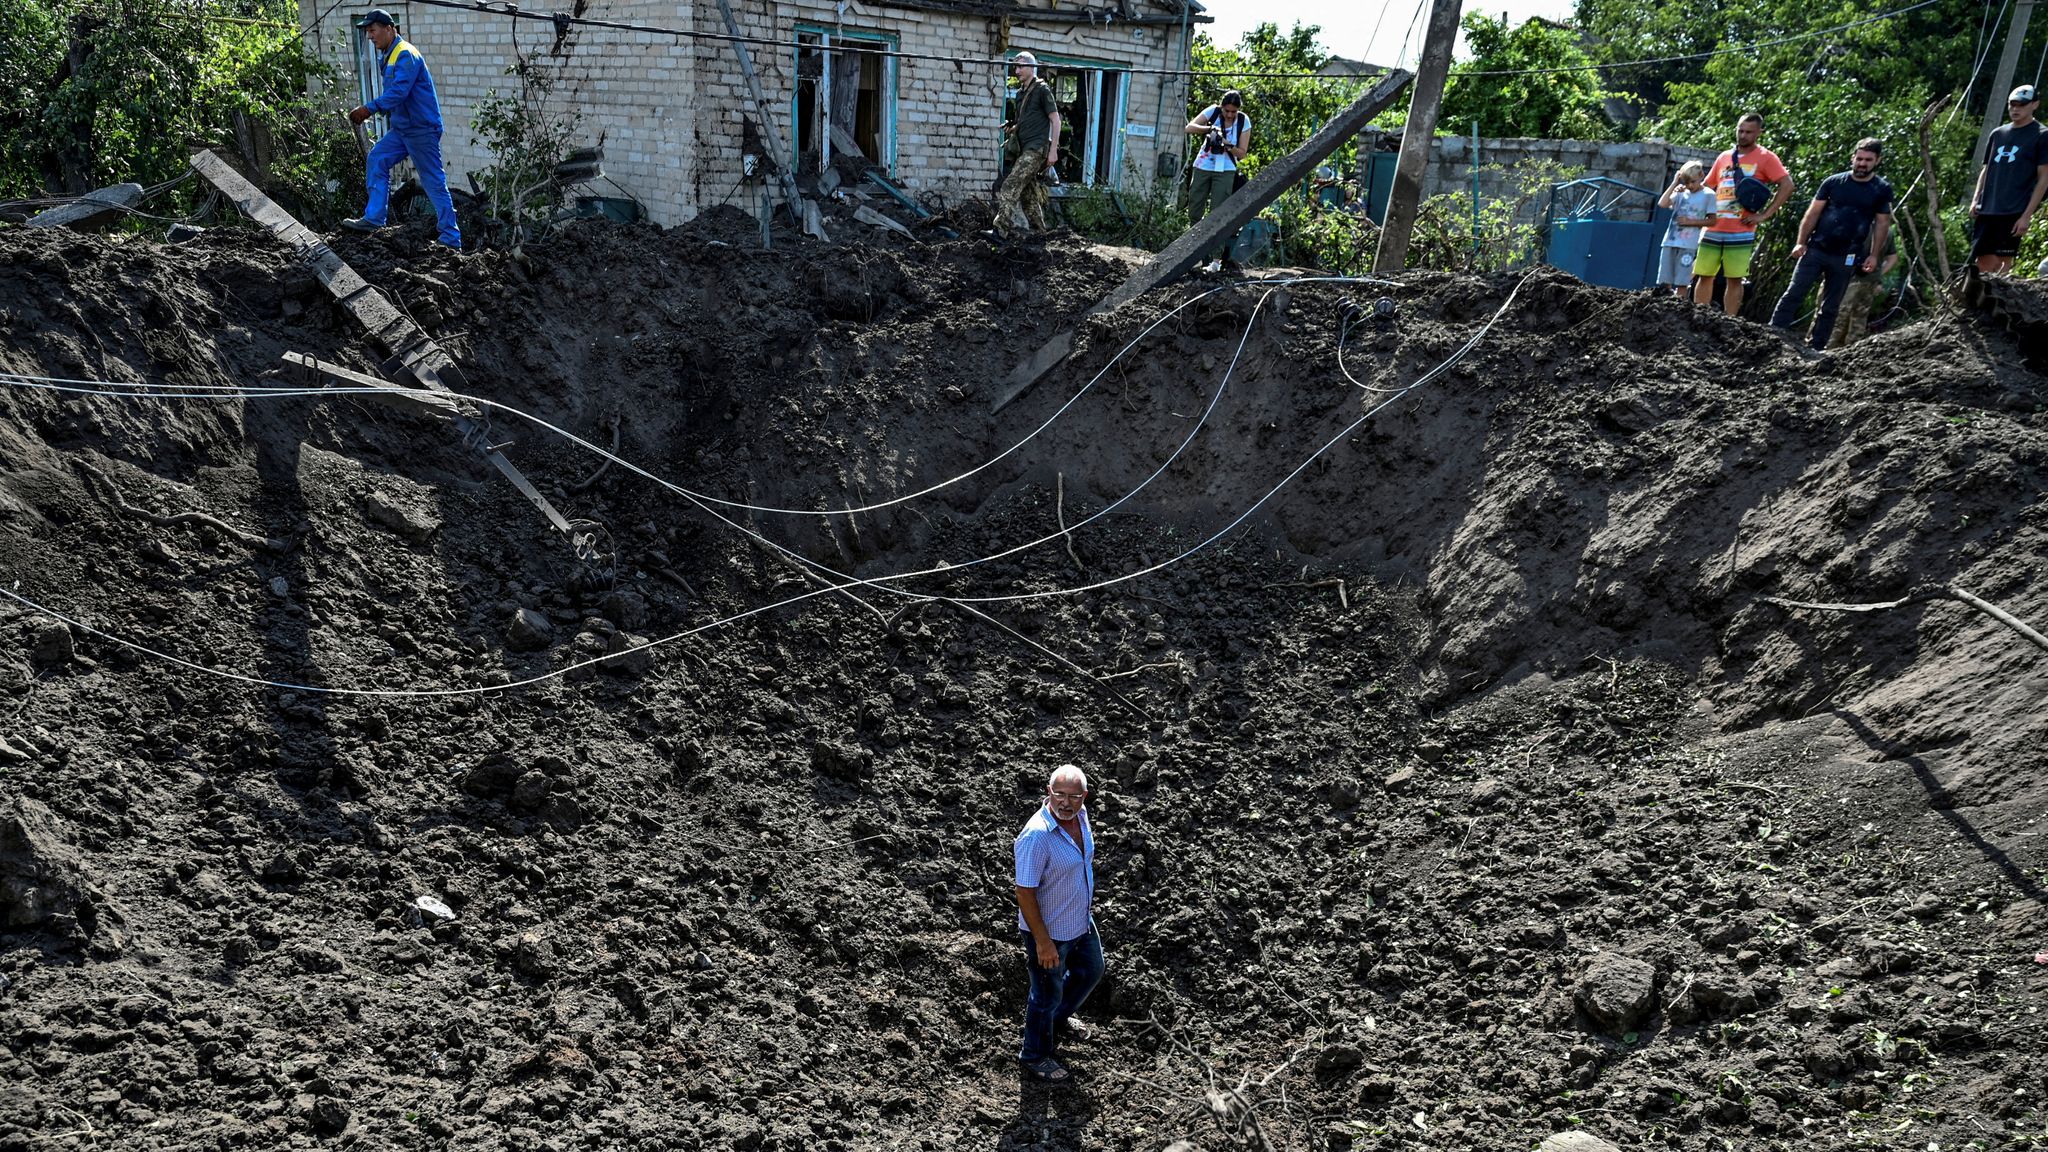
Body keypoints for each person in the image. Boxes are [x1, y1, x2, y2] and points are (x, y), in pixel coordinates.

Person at [343, 9, 461, 251]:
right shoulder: (389, 53)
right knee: (377, 158)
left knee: (432, 180)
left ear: (389, 28)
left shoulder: (406, 54)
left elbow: (399, 92)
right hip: (404, 129)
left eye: (373, 30)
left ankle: (450, 238)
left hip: (421, 129)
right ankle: (373, 218)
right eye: (367, 32)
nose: (370, 36)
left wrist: (369, 108)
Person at [1013, 763, 1101, 1084]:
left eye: (1073, 796)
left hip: (1080, 920)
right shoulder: (1036, 836)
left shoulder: (1080, 816)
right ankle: (1034, 1054)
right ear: (1048, 793)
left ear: (1084, 797)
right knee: (1045, 994)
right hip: (1050, 932)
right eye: (1059, 795)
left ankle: (1058, 1019)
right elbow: (1024, 892)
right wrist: (1043, 942)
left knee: (1092, 970)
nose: (1066, 803)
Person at [1769, 138, 1893, 351]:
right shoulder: (1834, 182)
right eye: (1859, 158)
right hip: (1817, 248)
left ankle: (1816, 346)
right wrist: (1800, 243)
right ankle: (1772, 335)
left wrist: (1873, 255)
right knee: (1795, 292)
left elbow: (1882, 223)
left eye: (1868, 160)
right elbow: (1812, 213)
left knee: (1831, 305)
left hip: (1847, 256)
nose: (1862, 163)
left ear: (1877, 161)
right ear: (1852, 157)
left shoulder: (1881, 189)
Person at [1692, 113, 1792, 316]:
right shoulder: (1724, 157)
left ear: (1758, 133)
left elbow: (1787, 185)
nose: (1743, 135)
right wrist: (1684, 189)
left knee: (1734, 278)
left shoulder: (1766, 157)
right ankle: (1697, 316)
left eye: (1748, 132)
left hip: (1741, 229)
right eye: (1740, 130)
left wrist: (1764, 215)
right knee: (1703, 274)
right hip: (1713, 226)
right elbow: (1707, 186)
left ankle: (1730, 321)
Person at [1968, 84, 2048, 275]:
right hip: (1988, 207)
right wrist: (1976, 198)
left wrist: (2027, 215)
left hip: (2014, 209)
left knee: (2001, 263)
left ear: (2034, 104)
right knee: (1982, 262)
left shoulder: (2042, 135)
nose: (2015, 109)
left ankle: (1997, 302)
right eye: (2012, 104)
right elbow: (1986, 169)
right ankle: (1979, 301)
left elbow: (2044, 178)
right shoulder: (1998, 134)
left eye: (2021, 105)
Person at [994, 52, 1060, 238]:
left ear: (1032, 67)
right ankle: (1040, 233)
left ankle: (1000, 230)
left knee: (1010, 184)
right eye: (1015, 67)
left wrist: (1053, 151)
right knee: (1028, 195)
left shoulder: (1042, 90)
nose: (1017, 70)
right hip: (1024, 149)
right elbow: (1026, 121)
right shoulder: (1021, 94)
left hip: (1036, 148)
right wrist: (1013, 127)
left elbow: (1056, 120)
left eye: (1021, 66)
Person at [1185, 90, 1251, 272]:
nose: (1229, 115)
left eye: (1233, 112)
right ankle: (1194, 255)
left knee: (1218, 213)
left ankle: (1215, 260)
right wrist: (1210, 129)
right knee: (1195, 208)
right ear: (1221, 107)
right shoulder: (1213, 112)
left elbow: (1243, 154)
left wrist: (1227, 144)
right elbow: (1189, 127)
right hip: (1204, 164)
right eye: (1226, 111)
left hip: (1226, 168)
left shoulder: (1243, 121)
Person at [1655, 161, 1715, 296]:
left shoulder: (1708, 195)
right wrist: (1674, 183)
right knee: (1664, 280)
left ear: (1701, 176)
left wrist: (1690, 222)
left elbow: (1712, 221)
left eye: (1693, 181)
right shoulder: (1681, 192)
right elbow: (1662, 203)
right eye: (1687, 182)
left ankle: (1678, 309)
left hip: (1688, 245)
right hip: (1670, 241)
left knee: (1682, 281)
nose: (1690, 186)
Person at [1825, 242, 1898, 349]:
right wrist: (1878, 274)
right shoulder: (1885, 231)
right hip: (1869, 282)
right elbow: (1893, 258)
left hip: (1849, 280)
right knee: (1859, 320)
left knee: (1837, 316)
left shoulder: (1857, 227)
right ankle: (1850, 351)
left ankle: (1826, 348)